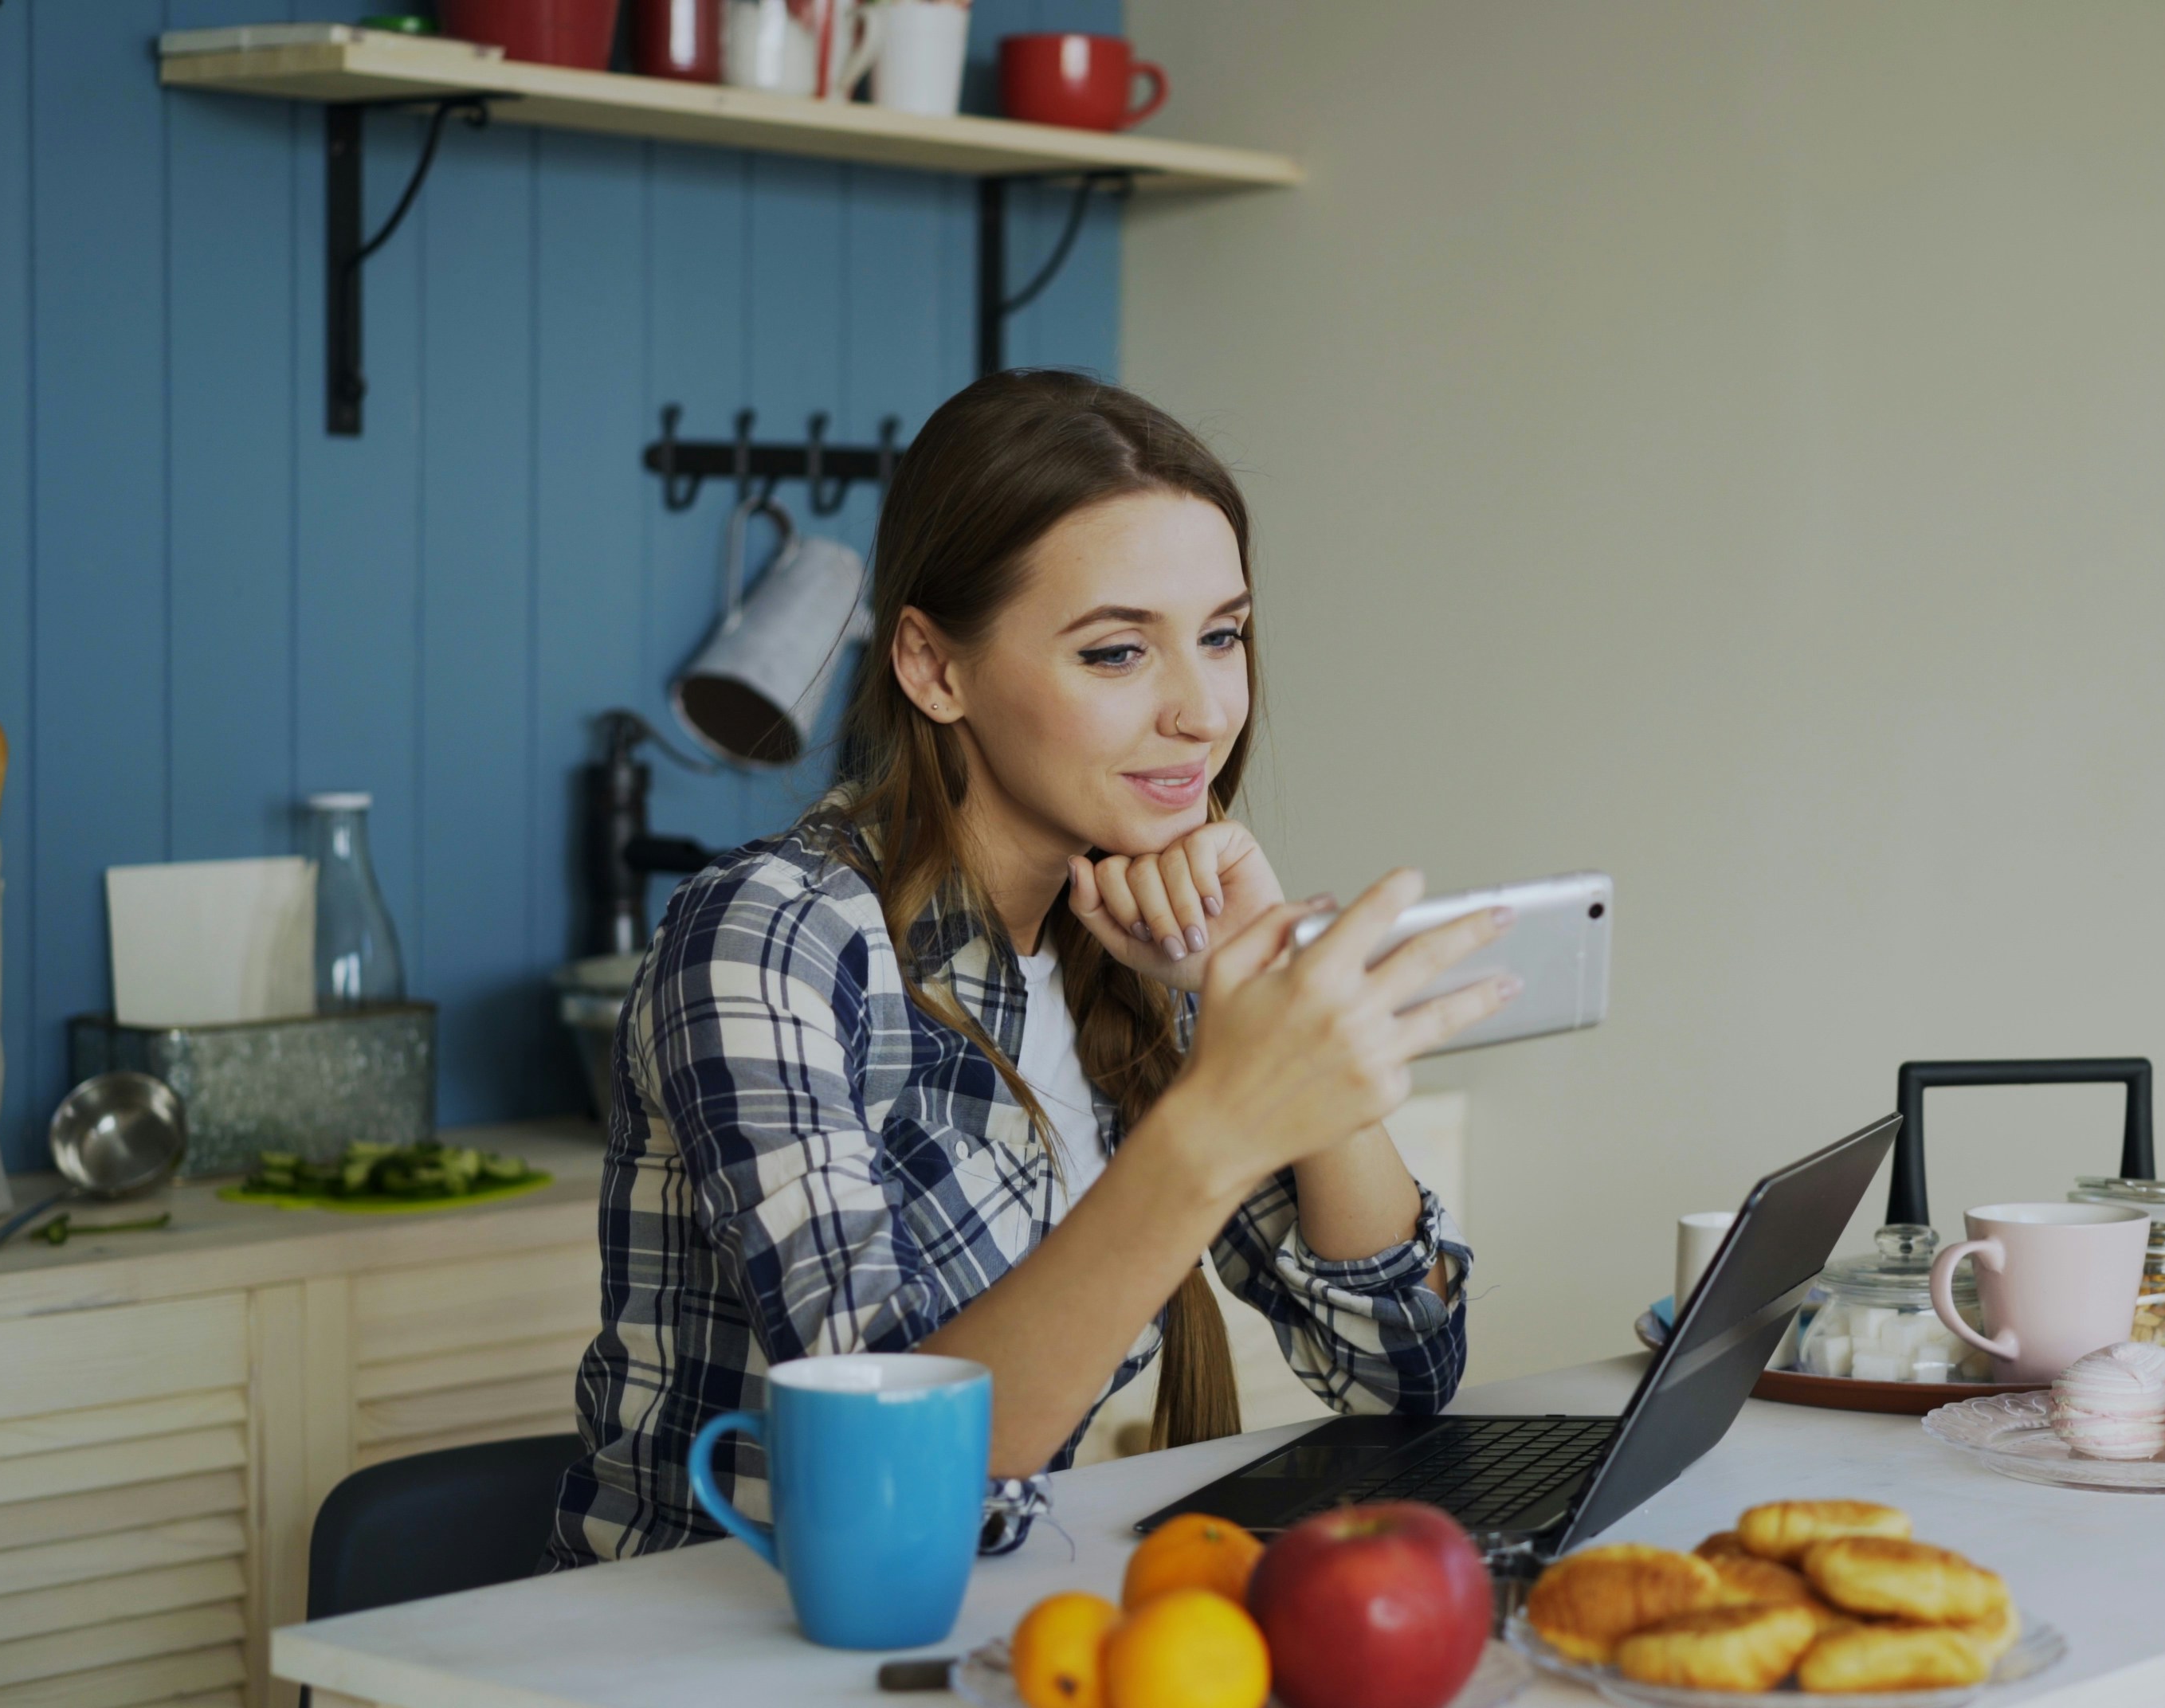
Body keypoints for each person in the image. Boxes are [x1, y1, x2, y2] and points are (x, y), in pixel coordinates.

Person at [550, 372, 1510, 1566]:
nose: (1203, 711)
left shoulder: (1132, 939)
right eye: (1117, 653)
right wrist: (1215, 1123)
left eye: (1222, 636)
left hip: (975, 1625)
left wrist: (1257, 979)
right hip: (698, 1662)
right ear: (933, 668)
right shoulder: (768, 938)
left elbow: (1403, 1376)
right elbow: (895, 1465)